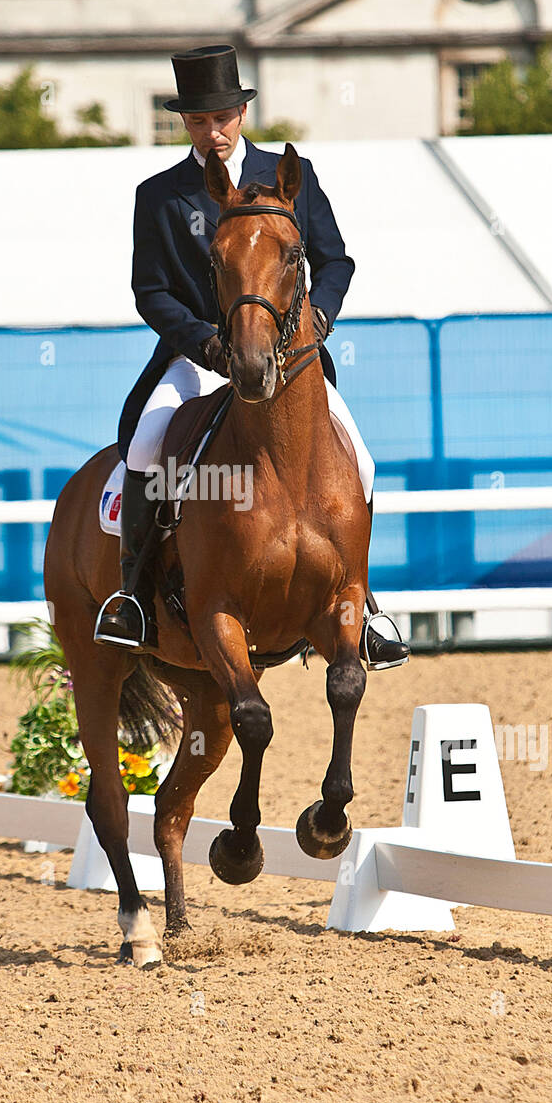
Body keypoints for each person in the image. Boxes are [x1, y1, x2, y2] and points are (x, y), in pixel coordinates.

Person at [95, 44, 409, 670]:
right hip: (198, 356)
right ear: (186, 123)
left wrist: (319, 318)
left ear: (240, 112)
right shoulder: (160, 196)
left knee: (362, 460)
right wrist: (206, 344)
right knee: (146, 446)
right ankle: (132, 596)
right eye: (198, 121)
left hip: (290, 356)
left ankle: (364, 607)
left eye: (221, 118)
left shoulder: (292, 176)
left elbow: (335, 259)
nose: (211, 132)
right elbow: (150, 291)